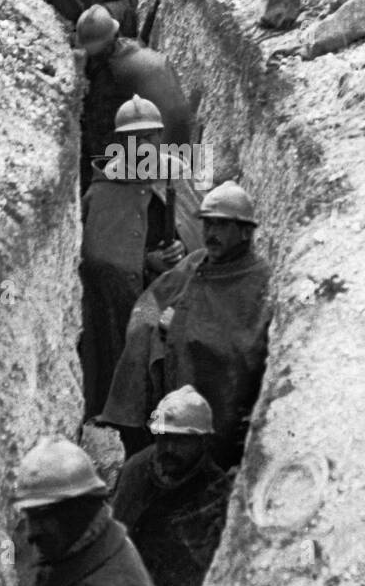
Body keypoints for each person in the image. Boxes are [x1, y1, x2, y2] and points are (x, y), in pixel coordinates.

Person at [99, 181, 273, 468]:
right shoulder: (194, 263)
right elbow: (149, 302)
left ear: (245, 232)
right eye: (208, 225)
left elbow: (243, 348)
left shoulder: (258, 280)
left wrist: (181, 327)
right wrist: (148, 328)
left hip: (216, 406)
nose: (211, 235)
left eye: (221, 226)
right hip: (169, 385)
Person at [80, 96, 203, 422]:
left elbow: (197, 229)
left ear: (160, 136)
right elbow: (96, 255)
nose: (144, 144)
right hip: (127, 295)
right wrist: (146, 261)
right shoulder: (106, 185)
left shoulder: (175, 171)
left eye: (150, 136)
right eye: (135, 138)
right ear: (121, 141)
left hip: (174, 287)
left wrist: (182, 252)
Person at [11, 438, 179, 586]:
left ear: (77, 512)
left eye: (42, 517)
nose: (32, 532)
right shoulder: (69, 557)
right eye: (29, 516)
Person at [112, 386, 232, 586]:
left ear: (202, 442)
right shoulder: (136, 470)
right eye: (163, 437)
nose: (168, 448)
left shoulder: (215, 493)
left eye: (180, 440)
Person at [75, 4, 192, 195]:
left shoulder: (111, 73)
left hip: (151, 165)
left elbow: (98, 132)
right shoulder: (136, 50)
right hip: (183, 154)